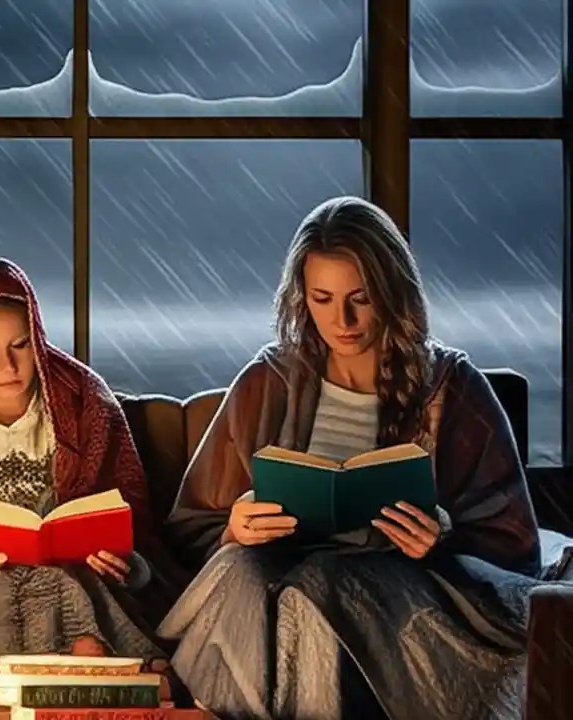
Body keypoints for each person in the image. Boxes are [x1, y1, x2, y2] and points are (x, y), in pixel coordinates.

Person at [158, 196, 545, 719]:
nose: (341, 320)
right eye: (321, 298)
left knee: (318, 590)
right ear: (300, 299)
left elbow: (515, 546)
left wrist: (443, 537)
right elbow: (188, 529)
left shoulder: (454, 389)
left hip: (398, 592)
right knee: (244, 573)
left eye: (360, 298)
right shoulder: (265, 383)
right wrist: (234, 530)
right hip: (272, 577)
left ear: (392, 291)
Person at [0, 257, 166, 668]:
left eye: (20, 346)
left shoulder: (85, 398)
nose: (8, 366)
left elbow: (132, 514)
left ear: (37, 337)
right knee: (1, 590)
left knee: (69, 583)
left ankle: (95, 670)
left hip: (80, 574)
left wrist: (125, 558)